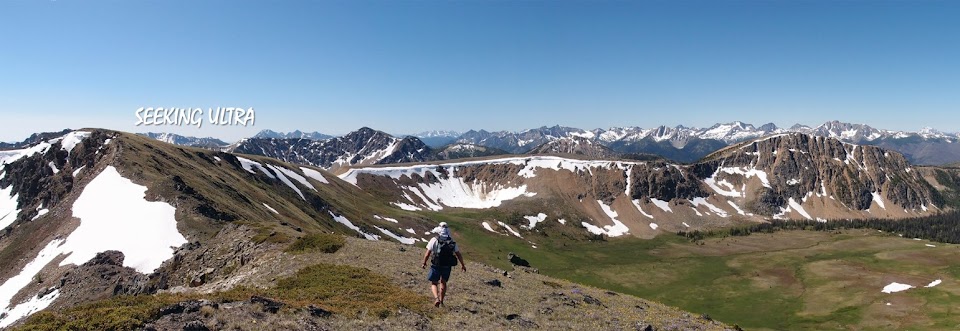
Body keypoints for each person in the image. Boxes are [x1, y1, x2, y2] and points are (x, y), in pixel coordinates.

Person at [421, 222, 466, 307]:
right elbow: (458, 254)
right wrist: (463, 265)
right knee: (443, 282)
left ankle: (436, 298)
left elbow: (427, 253)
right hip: (447, 265)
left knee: (434, 283)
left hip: (436, 263)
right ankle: (441, 301)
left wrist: (424, 262)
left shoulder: (434, 240)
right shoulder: (451, 241)